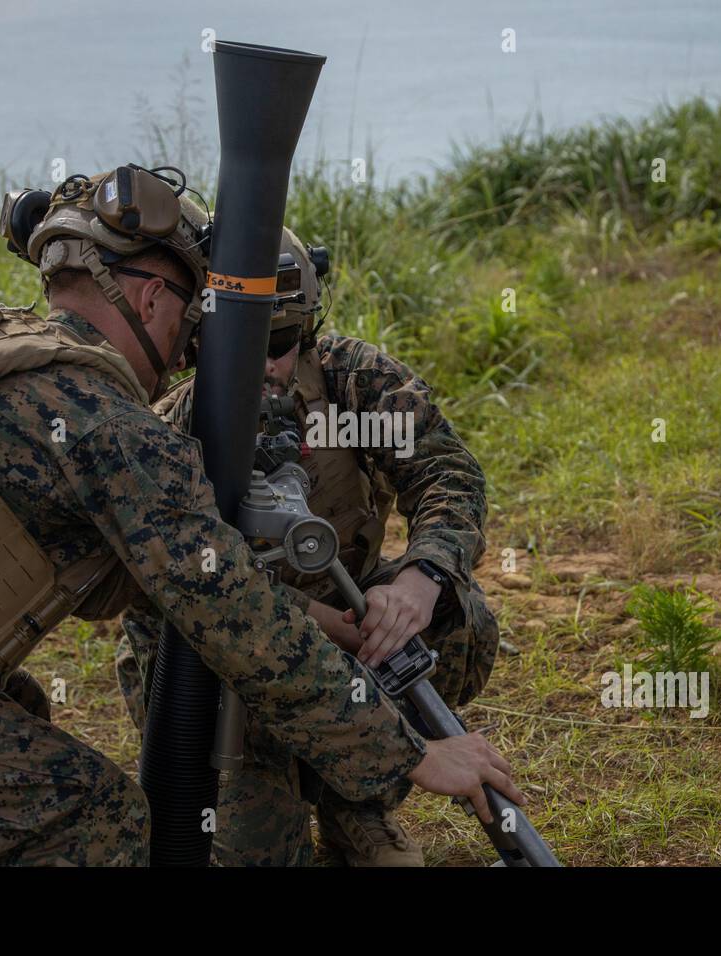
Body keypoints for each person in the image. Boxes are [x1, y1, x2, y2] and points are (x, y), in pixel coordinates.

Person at [0, 166, 520, 865]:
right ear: (147, 294)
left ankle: (351, 806)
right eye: (196, 317)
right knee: (98, 824)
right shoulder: (111, 420)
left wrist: (391, 591)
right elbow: (228, 615)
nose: (192, 347)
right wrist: (412, 755)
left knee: (12, 720)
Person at [116, 226, 500, 866]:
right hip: (220, 661)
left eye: (283, 344)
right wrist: (326, 629)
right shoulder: (164, 431)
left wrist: (421, 579)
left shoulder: (353, 382)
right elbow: (189, 599)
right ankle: (286, 788)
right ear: (197, 345)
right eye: (243, 347)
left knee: (460, 618)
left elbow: (447, 475)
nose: (266, 367)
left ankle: (358, 807)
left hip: (349, 611)